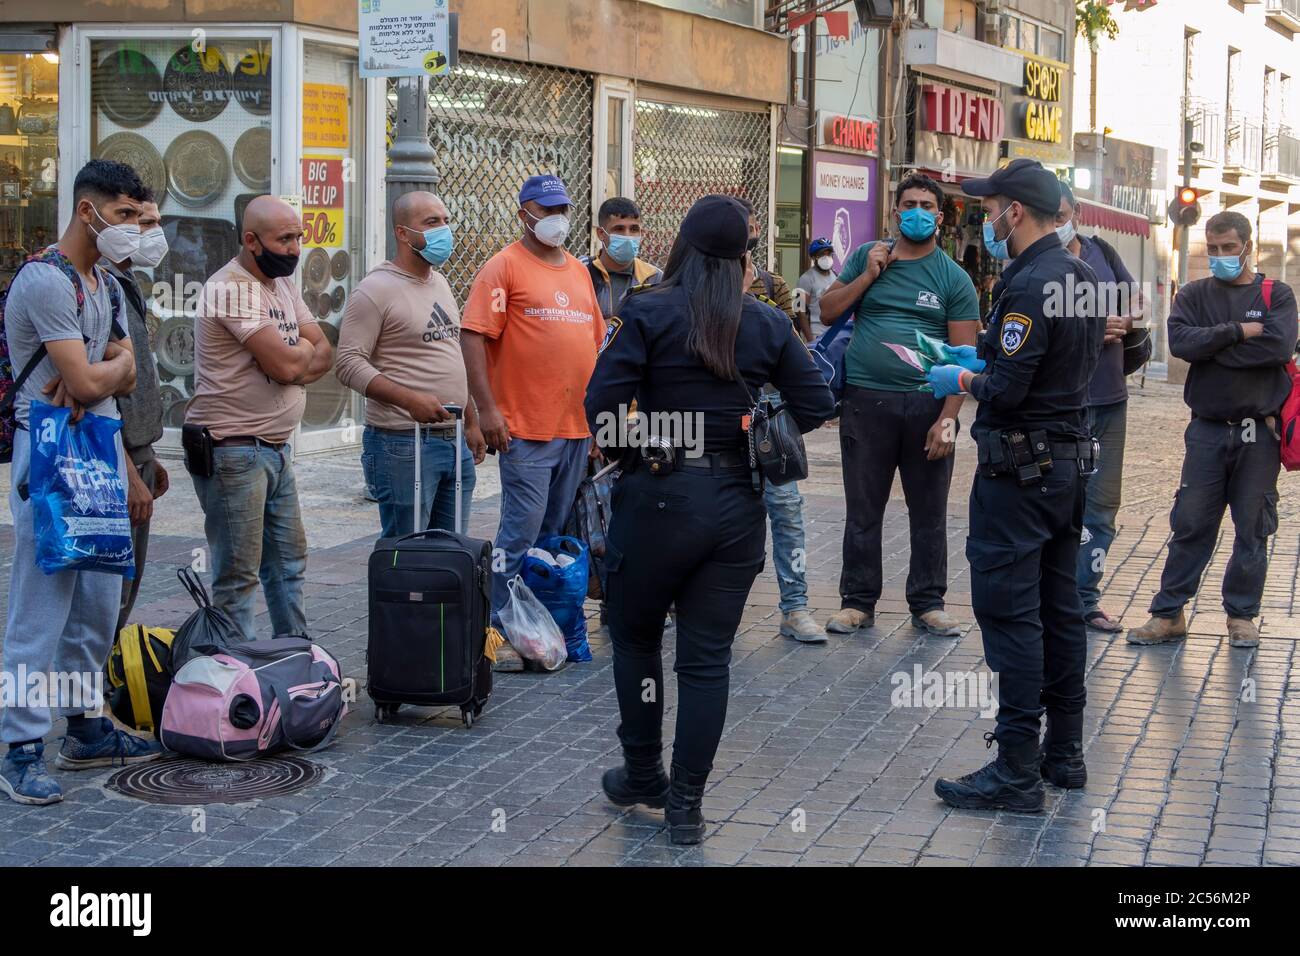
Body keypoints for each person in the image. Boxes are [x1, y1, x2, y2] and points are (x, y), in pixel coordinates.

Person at [585, 194, 835, 843]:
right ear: (744, 261)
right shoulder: (767, 323)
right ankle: (687, 806)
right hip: (736, 509)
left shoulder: (644, 310)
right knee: (706, 660)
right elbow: (814, 403)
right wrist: (748, 424)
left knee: (637, 640)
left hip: (659, 501)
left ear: (682, 249)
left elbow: (602, 407)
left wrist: (641, 445)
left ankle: (644, 773)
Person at [926, 158, 1104, 811]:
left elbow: (1007, 387)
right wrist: (980, 357)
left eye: (990, 206)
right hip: (1062, 470)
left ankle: (1017, 770)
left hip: (1019, 473)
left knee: (1011, 614)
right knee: (1060, 611)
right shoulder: (1079, 274)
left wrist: (961, 380)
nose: (986, 218)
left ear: (1016, 212)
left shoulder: (1030, 284)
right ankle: (1065, 754)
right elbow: (1047, 360)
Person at [1, 159, 161, 806]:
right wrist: (110, 370)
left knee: (95, 606)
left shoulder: (108, 285)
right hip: (49, 450)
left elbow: (104, 385)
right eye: (126, 217)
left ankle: (86, 727)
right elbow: (97, 379)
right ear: (87, 211)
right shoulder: (45, 280)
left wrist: (128, 468)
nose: (137, 231)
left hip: (96, 448)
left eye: (144, 219)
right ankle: (19, 747)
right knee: (40, 611)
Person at [817, 173, 980, 640]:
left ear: (940, 216)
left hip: (928, 407)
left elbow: (963, 360)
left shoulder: (954, 279)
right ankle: (857, 602)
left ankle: (928, 602)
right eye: (909, 204)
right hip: (866, 403)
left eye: (927, 205)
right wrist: (868, 275)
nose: (918, 212)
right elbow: (828, 312)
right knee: (862, 508)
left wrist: (948, 421)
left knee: (928, 511)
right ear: (894, 212)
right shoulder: (870, 257)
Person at [1126, 212, 1296, 650]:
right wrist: (1238, 331)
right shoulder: (1196, 293)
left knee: (1252, 527)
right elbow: (1181, 345)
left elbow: (1276, 347)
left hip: (1258, 432)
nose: (1219, 256)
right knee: (1190, 523)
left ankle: (1241, 616)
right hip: (1206, 429)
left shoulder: (1276, 294)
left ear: (1248, 245)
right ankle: (1168, 614)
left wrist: (1214, 348)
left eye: (1227, 247)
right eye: (1213, 248)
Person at [461, 174, 604, 672]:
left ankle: (539, 629)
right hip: (525, 427)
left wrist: (597, 424)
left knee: (554, 533)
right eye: (545, 209)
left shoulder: (579, 273)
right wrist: (486, 409)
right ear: (524, 213)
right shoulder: (502, 267)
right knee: (519, 533)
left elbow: (594, 344)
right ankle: (492, 629)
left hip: (575, 429)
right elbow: (474, 336)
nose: (556, 217)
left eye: (562, 207)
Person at [186, 195, 334, 641]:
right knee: (238, 577)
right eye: (283, 239)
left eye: (298, 238)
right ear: (251, 240)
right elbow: (290, 367)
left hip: (275, 448)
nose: (294, 249)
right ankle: (234, 681)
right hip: (234, 452)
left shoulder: (281, 284)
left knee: (289, 564)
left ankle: (296, 657)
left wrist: (296, 357)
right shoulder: (231, 288)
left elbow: (323, 350)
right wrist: (296, 359)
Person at [336, 191, 485, 539]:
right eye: (432, 223)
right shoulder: (375, 290)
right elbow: (347, 363)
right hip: (402, 444)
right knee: (406, 555)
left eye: (446, 221)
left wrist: (472, 420)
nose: (444, 230)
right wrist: (408, 400)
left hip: (452, 440)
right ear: (402, 233)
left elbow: (451, 353)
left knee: (451, 553)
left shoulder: (439, 282)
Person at [1054, 182, 1146, 633]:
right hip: (1059, 404)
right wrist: (1092, 325)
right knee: (1054, 503)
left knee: (1101, 507)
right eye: (1049, 216)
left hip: (1109, 399)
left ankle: (1085, 599)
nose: (1058, 224)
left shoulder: (1102, 251)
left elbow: (1136, 302)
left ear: (1078, 212)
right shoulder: (1035, 263)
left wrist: (1125, 320)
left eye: (1063, 214)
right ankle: (1050, 599)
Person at [737, 199, 823, 643]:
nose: (751, 231)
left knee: (786, 509)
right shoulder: (685, 288)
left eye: (754, 224)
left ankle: (795, 606)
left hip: (768, 417)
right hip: (715, 423)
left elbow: (791, 348)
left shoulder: (775, 285)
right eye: (744, 225)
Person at [105, 196, 169, 632]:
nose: (150, 233)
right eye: (137, 221)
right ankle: (87, 695)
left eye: (153, 222)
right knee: (109, 591)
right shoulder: (99, 288)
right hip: (113, 461)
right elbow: (99, 396)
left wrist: (147, 454)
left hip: (136, 454)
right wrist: (129, 471)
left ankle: (100, 685)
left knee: (126, 587)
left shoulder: (126, 282)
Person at [580, 196, 662, 319]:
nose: (627, 236)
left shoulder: (654, 278)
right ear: (601, 234)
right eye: (619, 229)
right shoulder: (581, 271)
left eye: (634, 229)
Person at [795, 237, 838, 328]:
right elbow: (799, 312)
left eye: (829, 254)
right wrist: (810, 339)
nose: (826, 257)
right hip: (815, 332)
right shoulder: (805, 279)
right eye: (822, 254)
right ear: (814, 257)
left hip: (833, 332)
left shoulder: (836, 276)